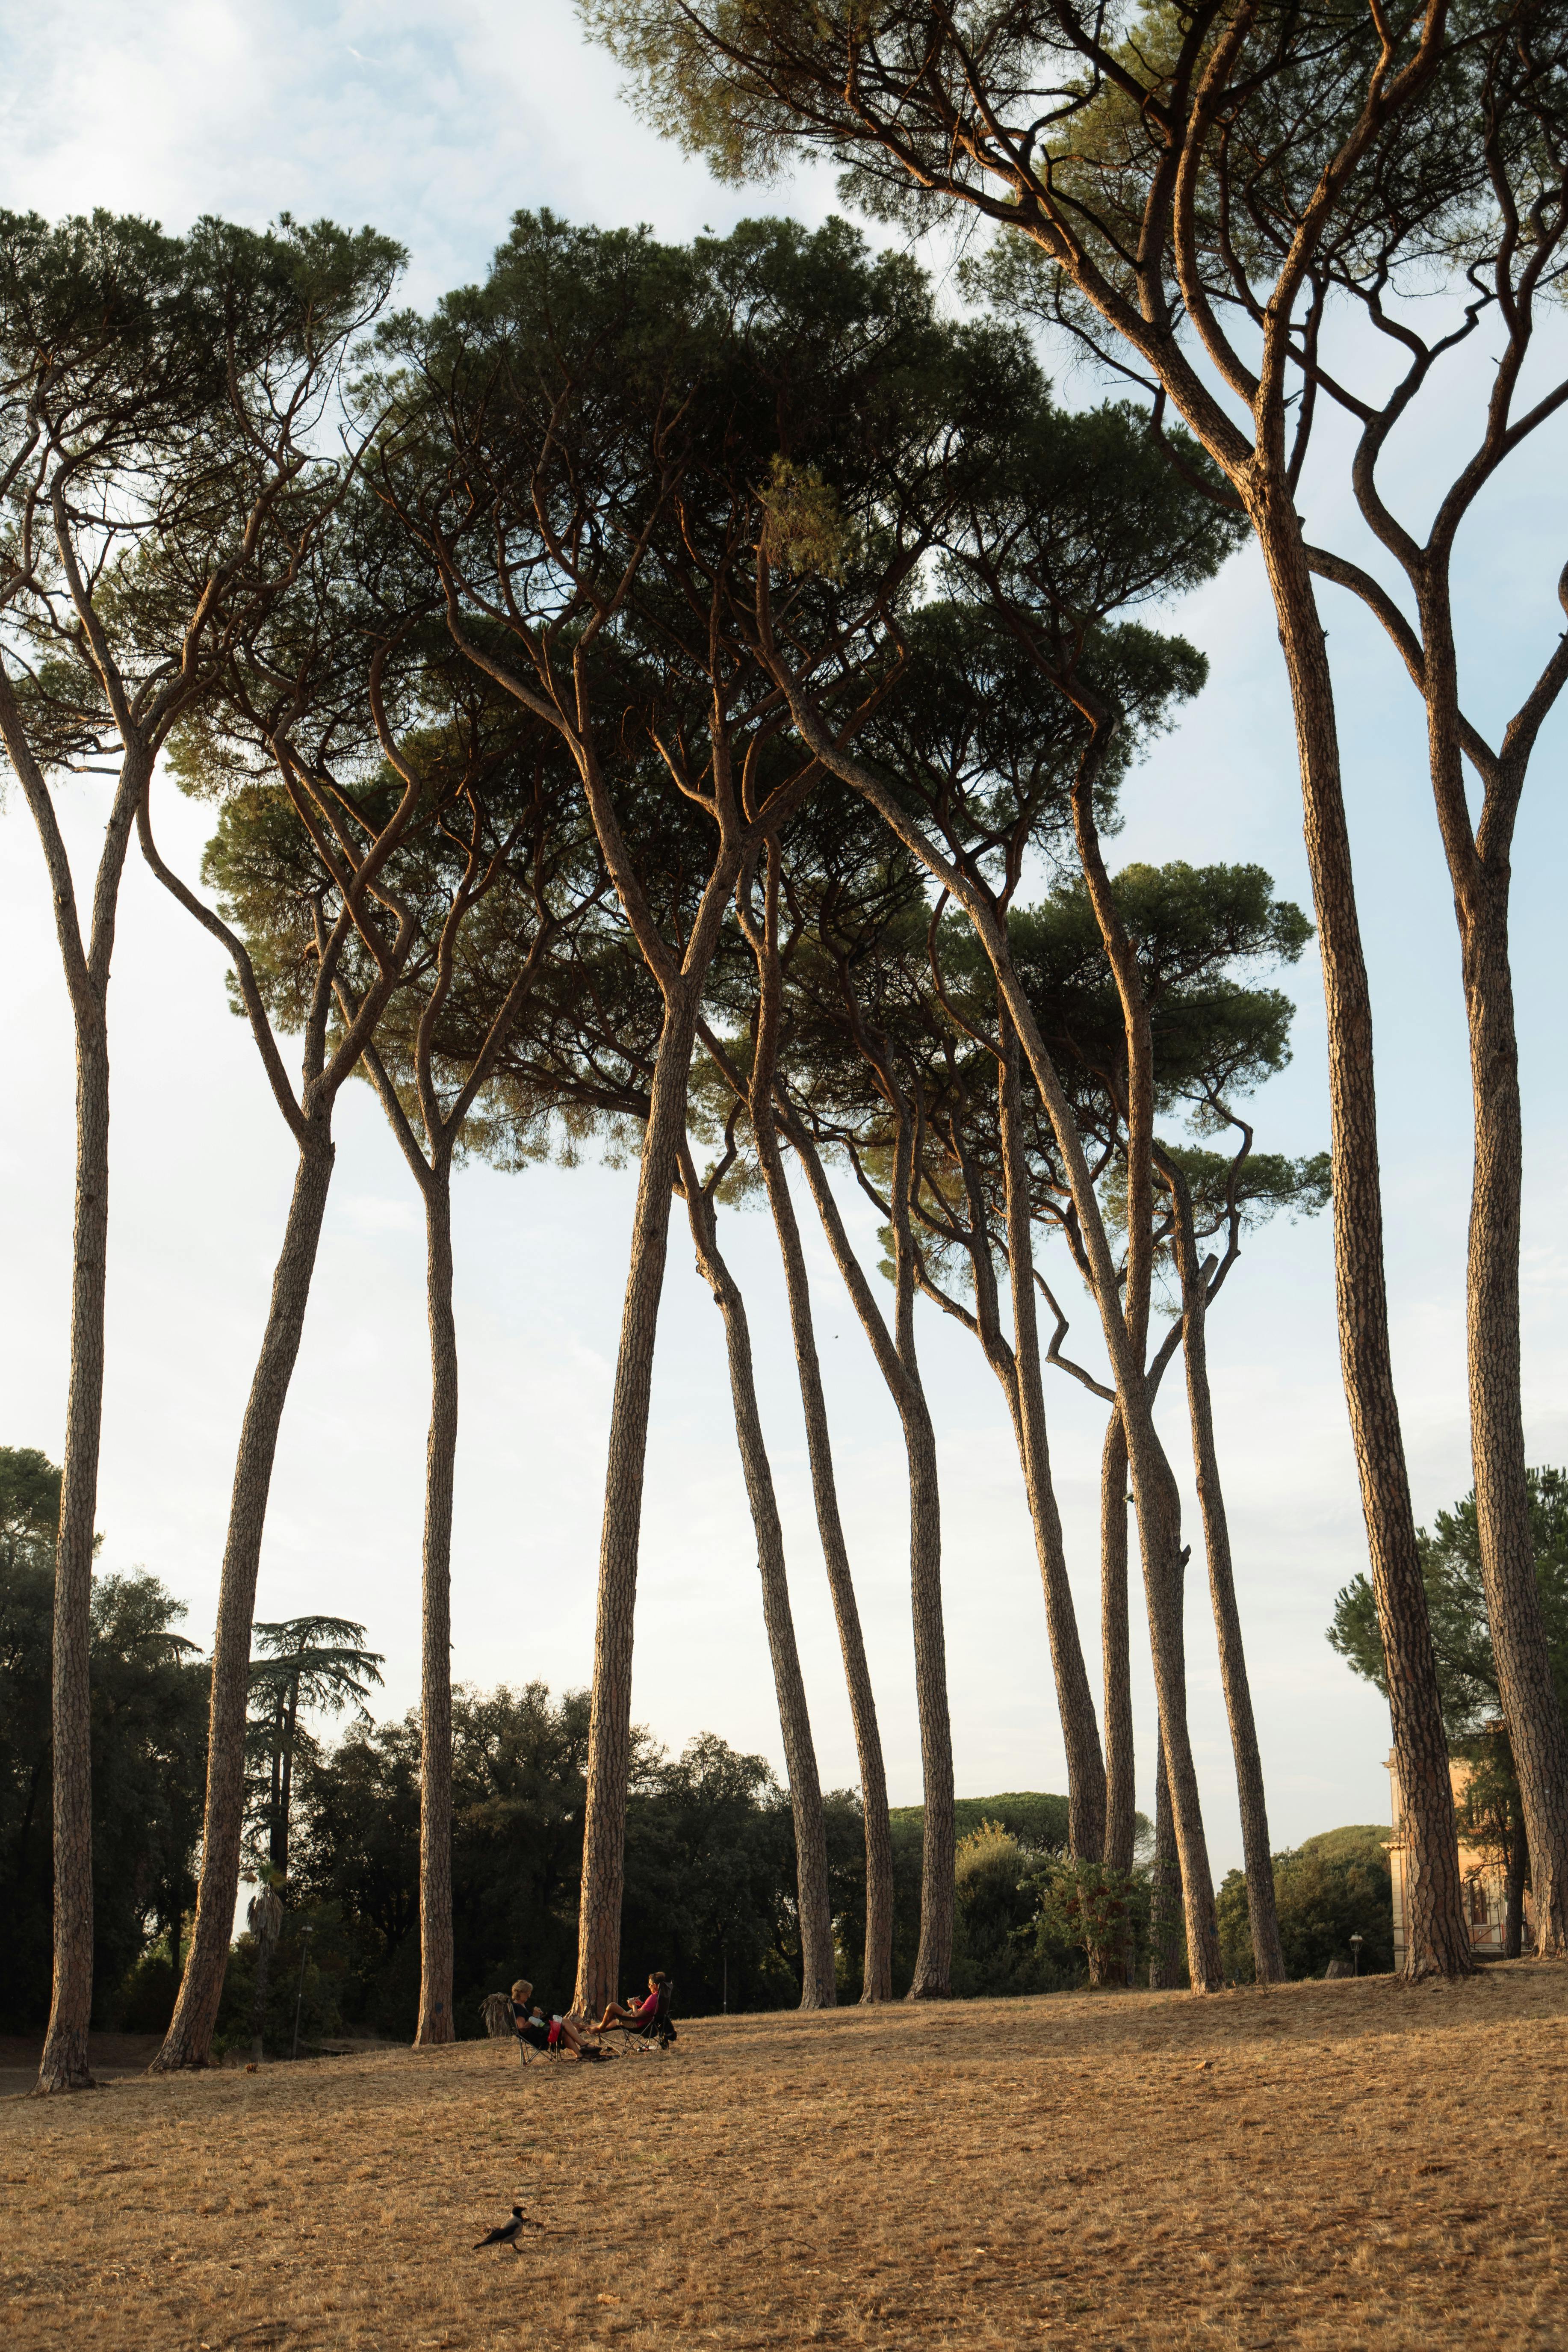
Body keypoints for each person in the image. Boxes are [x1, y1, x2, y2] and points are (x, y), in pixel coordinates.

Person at [595, 1971, 666, 2035]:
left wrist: (634, 2005)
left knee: (612, 2006)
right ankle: (586, 2028)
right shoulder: (661, 1997)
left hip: (636, 2024)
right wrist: (641, 2004)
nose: (649, 1987)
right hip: (647, 2024)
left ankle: (600, 2028)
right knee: (613, 2022)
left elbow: (637, 2015)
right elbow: (650, 2011)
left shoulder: (653, 1998)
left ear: (655, 1985)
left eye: (650, 1985)